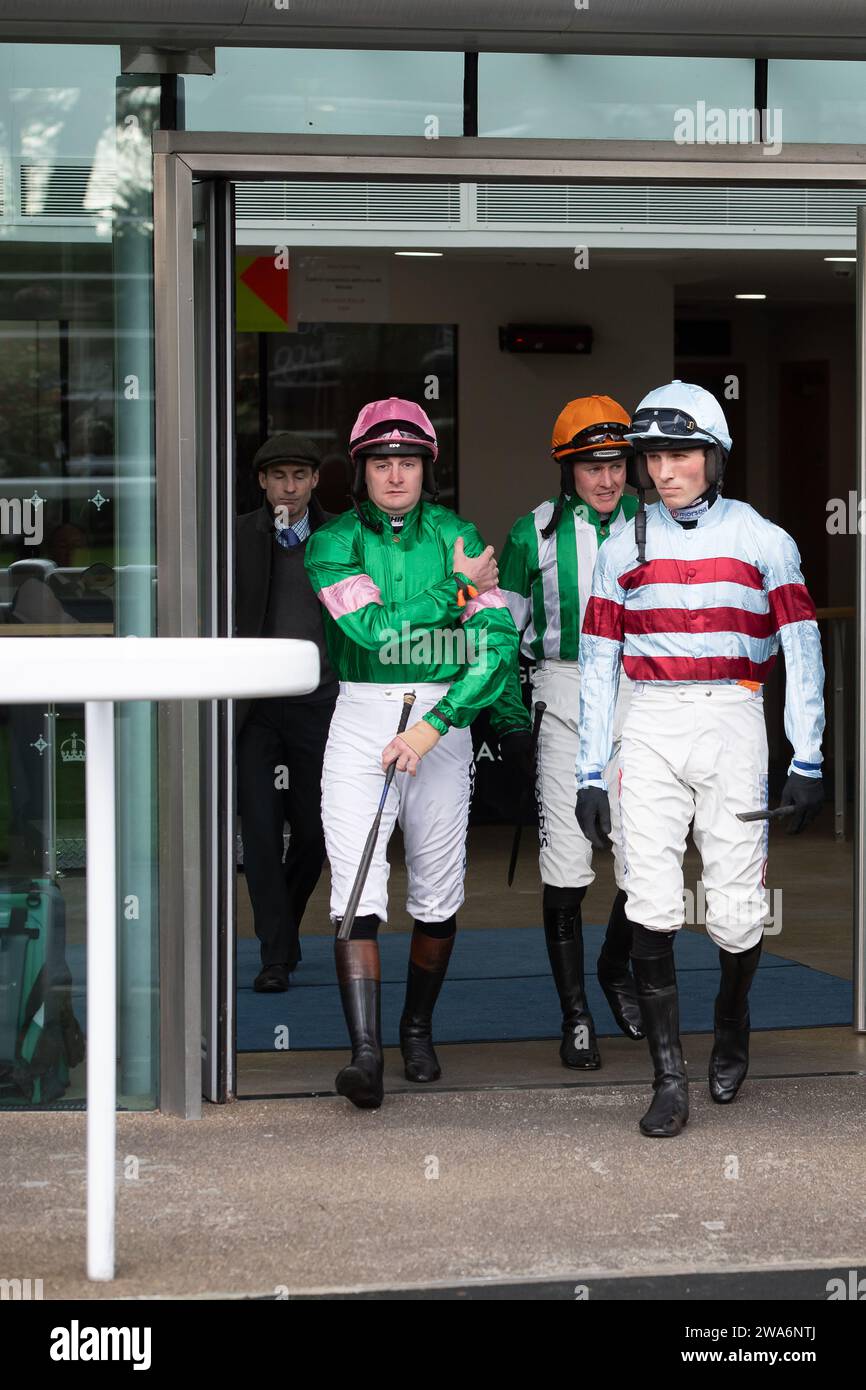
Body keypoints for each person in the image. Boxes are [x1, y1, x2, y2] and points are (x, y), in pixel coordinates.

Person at [576, 381, 825, 1137]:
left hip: (734, 716)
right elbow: (596, 664)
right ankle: (667, 1078)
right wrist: (591, 771)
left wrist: (808, 756)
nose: (662, 471)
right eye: (652, 456)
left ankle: (732, 1021)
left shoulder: (764, 540)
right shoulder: (620, 547)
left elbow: (802, 647)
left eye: (679, 454)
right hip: (647, 722)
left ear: (715, 457)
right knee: (649, 898)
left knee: (737, 911)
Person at [304, 397, 519, 1109]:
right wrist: (459, 589)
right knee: (354, 891)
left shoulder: (461, 532)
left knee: (436, 889)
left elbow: (494, 648)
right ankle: (365, 1055)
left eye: (408, 462)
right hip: (363, 716)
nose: (395, 475)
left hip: (441, 723)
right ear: (361, 470)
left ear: (428, 468)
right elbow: (372, 633)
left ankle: (417, 1027)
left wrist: (438, 722)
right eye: (381, 463)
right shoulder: (330, 541)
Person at [494, 396, 645, 1070]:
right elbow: (504, 631)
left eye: (616, 464)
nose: (607, 479)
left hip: (643, 701)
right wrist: (506, 716)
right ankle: (575, 1014)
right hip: (563, 696)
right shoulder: (534, 533)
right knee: (568, 869)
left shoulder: (659, 522)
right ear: (568, 469)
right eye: (592, 466)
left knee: (647, 859)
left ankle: (617, 966)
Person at [235, 432, 338, 992]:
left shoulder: (340, 534)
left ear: (316, 480)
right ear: (261, 481)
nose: (289, 487)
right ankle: (274, 953)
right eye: (279, 476)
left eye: (299, 476)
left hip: (319, 701)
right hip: (254, 707)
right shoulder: (239, 536)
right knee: (258, 829)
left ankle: (285, 931)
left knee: (316, 831)